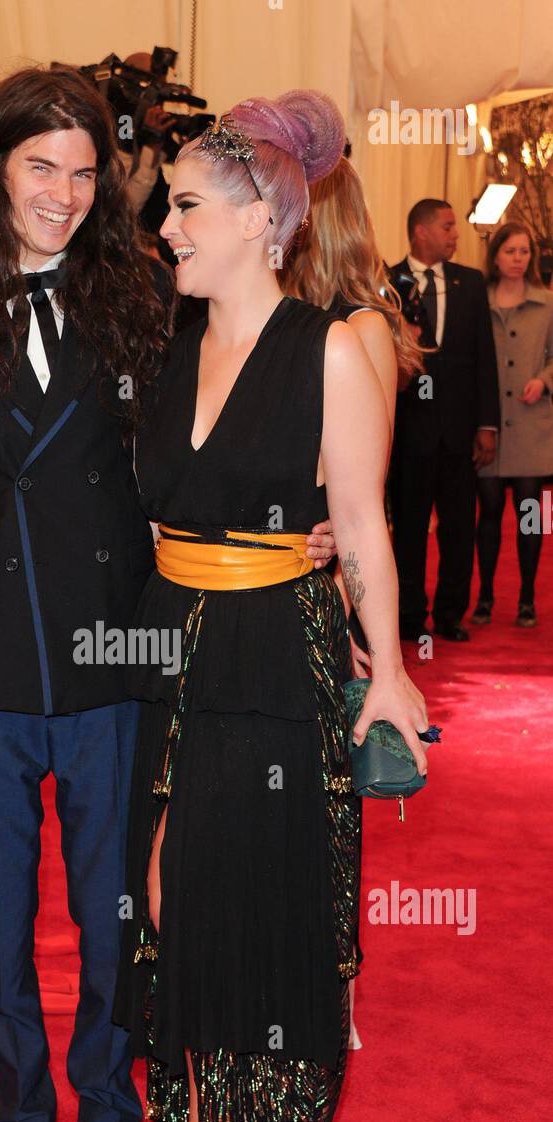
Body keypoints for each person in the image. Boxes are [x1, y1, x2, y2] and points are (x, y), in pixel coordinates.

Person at [0, 64, 342, 1122]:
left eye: (87, 172)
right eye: (42, 166)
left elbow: (227, 433)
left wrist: (299, 523)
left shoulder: (144, 297)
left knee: (116, 925)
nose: (66, 194)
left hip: (118, 664)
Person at [112, 92, 429, 1122]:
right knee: (164, 893)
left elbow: (362, 528)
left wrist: (388, 669)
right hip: (160, 641)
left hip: (269, 653)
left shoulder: (334, 347)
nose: (168, 229)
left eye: (187, 207)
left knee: (244, 903)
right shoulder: (166, 340)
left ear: (264, 218)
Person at [280, 154, 425, 1046]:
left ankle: (332, 988)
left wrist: (354, 611)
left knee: (323, 807)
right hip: (281, 581)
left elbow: (356, 494)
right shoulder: (277, 320)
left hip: (321, 590)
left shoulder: (358, 327)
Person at [389, 199, 500, 642]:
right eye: (448, 226)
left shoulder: (470, 283)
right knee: (409, 530)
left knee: (459, 529)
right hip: (409, 431)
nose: (457, 234)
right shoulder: (388, 280)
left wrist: (487, 425)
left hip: (459, 430)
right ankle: (409, 615)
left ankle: (451, 613)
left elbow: (484, 359)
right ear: (421, 231)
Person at [472, 221, 553, 629]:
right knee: (487, 511)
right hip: (488, 428)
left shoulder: (547, 302)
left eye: (524, 252)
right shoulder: (477, 300)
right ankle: (484, 596)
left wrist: (545, 379)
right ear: (496, 255)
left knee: (529, 513)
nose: (519, 259)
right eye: (511, 251)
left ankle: (526, 598)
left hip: (532, 425)